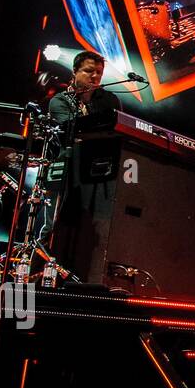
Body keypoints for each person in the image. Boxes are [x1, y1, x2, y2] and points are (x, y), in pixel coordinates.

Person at [39, 51, 123, 248]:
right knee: (55, 227)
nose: (95, 76)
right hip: (66, 171)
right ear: (75, 71)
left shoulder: (109, 100)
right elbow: (69, 131)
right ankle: (38, 272)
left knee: (94, 231)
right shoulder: (60, 101)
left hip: (98, 173)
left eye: (99, 73)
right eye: (89, 71)